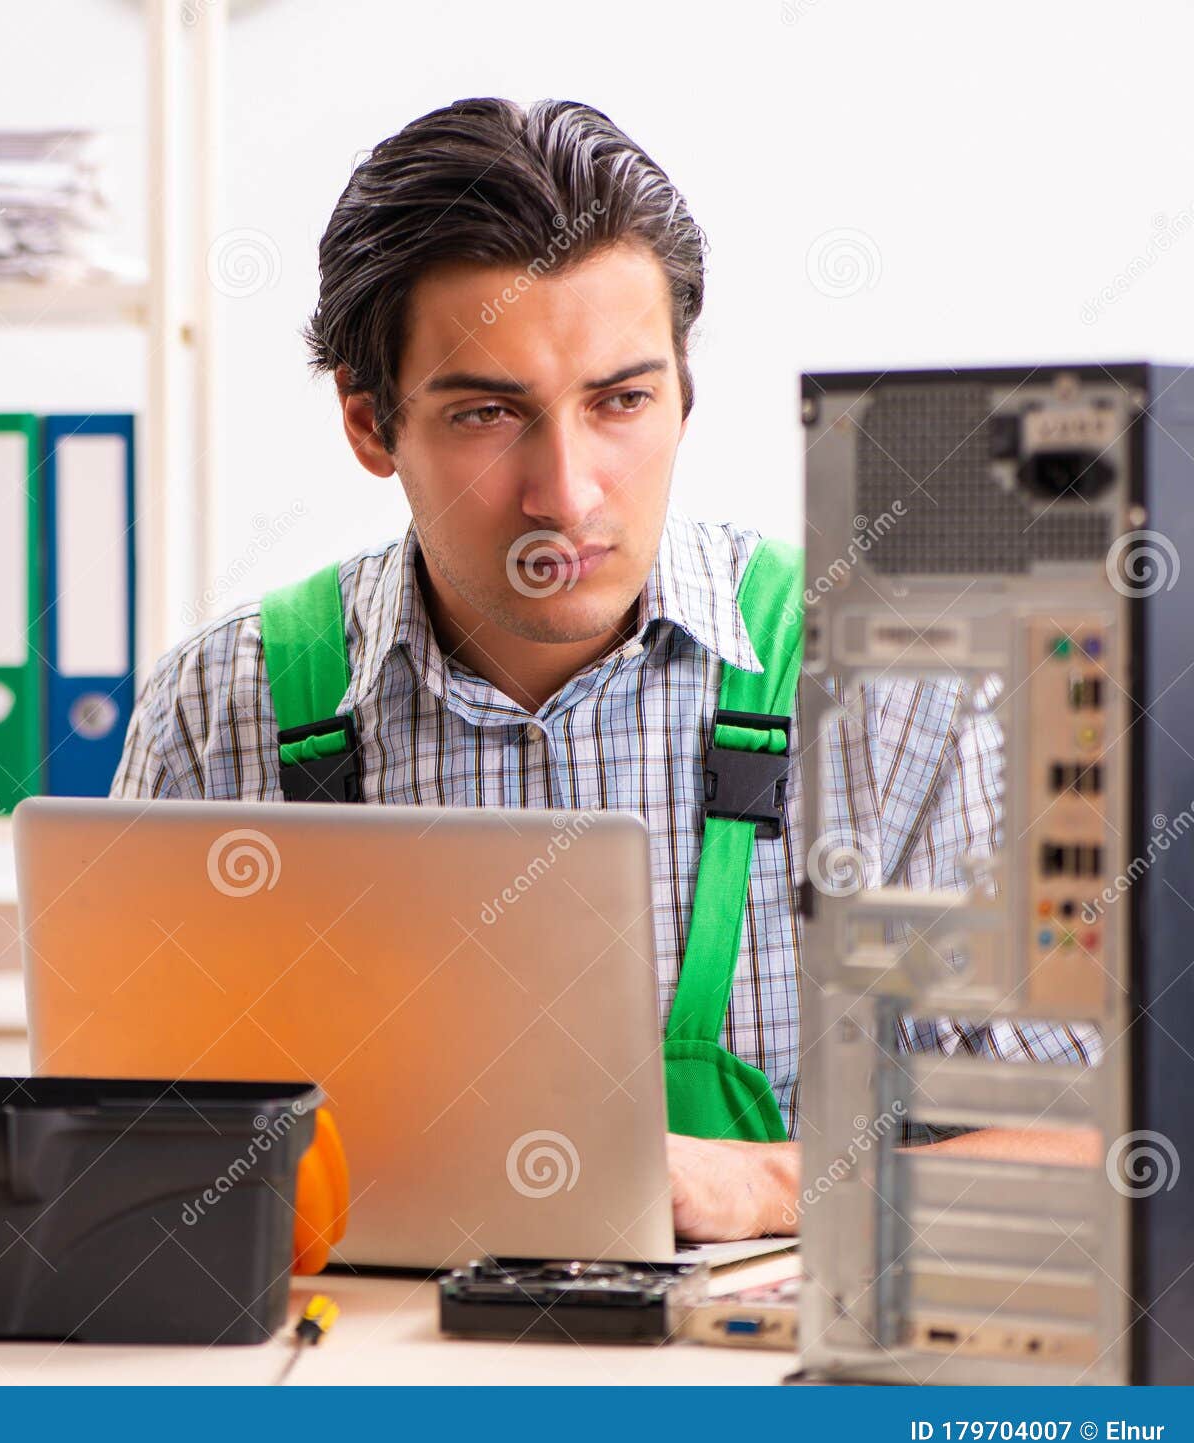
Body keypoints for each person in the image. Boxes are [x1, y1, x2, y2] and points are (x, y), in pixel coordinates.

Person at [111, 96, 1096, 1240]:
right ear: (371, 424)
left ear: (683, 395)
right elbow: (131, 1170)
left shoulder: (896, 692)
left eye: (620, 401)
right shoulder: (218, 711)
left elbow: (1083, 1150)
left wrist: (769, 1184)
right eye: (488, 412)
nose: (566, 494)